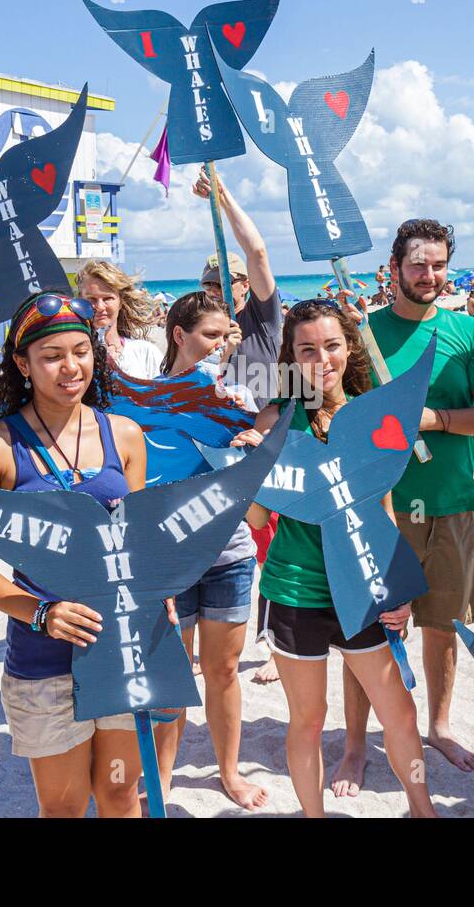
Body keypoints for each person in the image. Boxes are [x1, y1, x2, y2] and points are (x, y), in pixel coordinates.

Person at [0, 293, 155, 818]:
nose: (71, 368)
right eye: (51, 356)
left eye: (82, 351)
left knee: (119, 793)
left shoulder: (126, 435)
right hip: (43, 660)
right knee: (62, 806)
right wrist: (42, 612)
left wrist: (158, 596)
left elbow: (136, 545)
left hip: (119, 650)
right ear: (22, 365)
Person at [235, 300, 436, 818]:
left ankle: (421, 809)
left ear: (350, 348)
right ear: (290, 356)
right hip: (294, 588)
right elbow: (257, 521)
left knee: (401, 714)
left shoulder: (370, 414)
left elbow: (385, 509)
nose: (320, 359)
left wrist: (397, 593)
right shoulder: (277, 417)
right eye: (306, 349)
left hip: (362, 586)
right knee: (307, 718)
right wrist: (259, 461)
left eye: (331, 345)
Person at [330, 219, 474, 790]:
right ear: (394, 270)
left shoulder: (469, 333)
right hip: (376, 508)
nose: (429, 275)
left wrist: (437, 420)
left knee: (441, 624)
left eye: (438, 265)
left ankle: (438, 725)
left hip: (452, 502)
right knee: (366, 627)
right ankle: (356, 744)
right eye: (417, 265)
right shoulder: (361, 334)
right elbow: (326, 406)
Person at [148, 291, 267, 810]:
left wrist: (253, 451)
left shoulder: (234, 399)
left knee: (222, 671)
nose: (221, 345)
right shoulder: (145, 399)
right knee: (173, 675)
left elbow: (256, 488)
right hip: (169, 558)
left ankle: (228, 772)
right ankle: (165, 776)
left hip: (229, 552)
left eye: (225, 336)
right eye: (210, 335)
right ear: (179, 335)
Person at [193, 171, 282, 406]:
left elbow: (257, 252)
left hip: (266, 428)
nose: (214, 290)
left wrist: (223, 197)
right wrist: (224, 351)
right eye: (209, 284)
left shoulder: (262, 317)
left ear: (245, 285)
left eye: (223, 283)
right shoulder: (201, 329)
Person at [77, 259, 162, 378]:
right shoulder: (73, 358)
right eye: (91, 299)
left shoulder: (145, 352)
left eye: (107, 298)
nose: (100, 307)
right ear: (80, 301)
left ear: (121, 301)